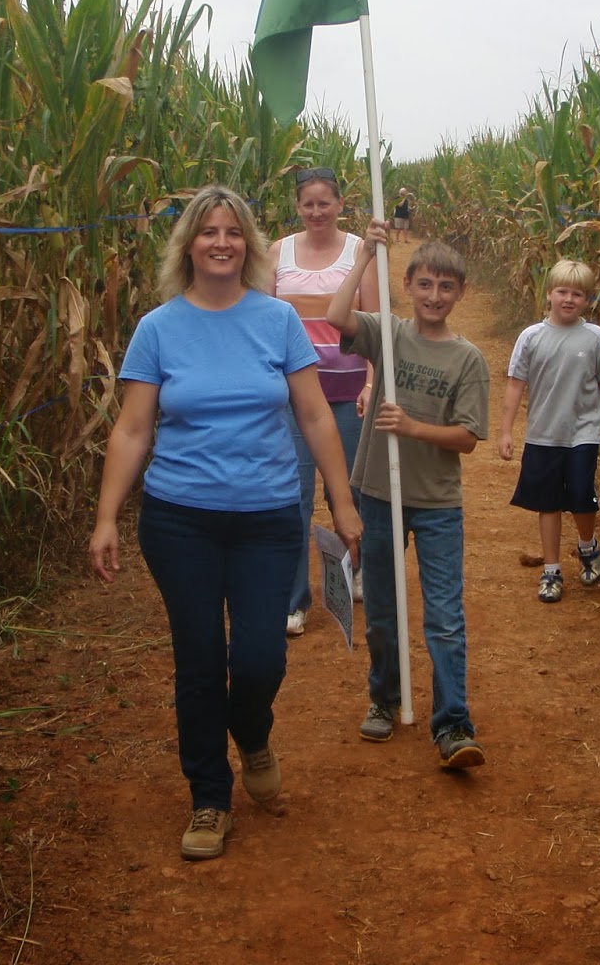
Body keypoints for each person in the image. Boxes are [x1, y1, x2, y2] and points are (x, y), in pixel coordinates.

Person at [88, 185, 363, 862]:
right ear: (189, 246)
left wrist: (342, 498)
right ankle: (209, 796)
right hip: (180, 519)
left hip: (269, 515)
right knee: (202, 663)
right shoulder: (158, 328)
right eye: (207, 232)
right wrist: (106, 518)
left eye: (232, 232)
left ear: (249, 245)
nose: (220, 242)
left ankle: (253, 731)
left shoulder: (275, 321)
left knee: (262, 658)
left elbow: (314, 414)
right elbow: (132, 428)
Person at [326, 221, 491, 769]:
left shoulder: (467, 359)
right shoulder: (389, 334)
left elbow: (467, 438)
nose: (434, 297)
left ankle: (453, 725)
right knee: (381, 611)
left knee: (444, 616)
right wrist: (364, 256)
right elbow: (335, 318)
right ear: (409, 286)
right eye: (424, 285)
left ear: (460, 293)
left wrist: (413, 426)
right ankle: (384, 697)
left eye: (446, 287)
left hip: (438, 503)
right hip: (377, 492)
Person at [268, 166, 379, 636]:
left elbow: (373, 320)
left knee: (351, 493)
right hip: (296, 399)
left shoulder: (360, 251)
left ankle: (356, 571)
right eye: (308, 204)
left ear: (340, 204)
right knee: (292, 497)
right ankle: (294, 601)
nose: (316, 211)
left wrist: (371, 383)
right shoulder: (279, 253)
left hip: (349, 394)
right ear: (297, 206)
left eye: (325, 203)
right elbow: (263, 322)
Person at [497, 259, 600, 603]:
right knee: (549, 502)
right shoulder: (531, 337)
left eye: (578, 294)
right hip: (543, 433)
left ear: (587, 299)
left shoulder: (595, 337)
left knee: (582, 494)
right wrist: (506, 431)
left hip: (583, 431)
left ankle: (587, 546)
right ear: (549, 294)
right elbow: (515, 385)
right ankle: (552, 570)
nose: (569, 299)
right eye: (562, 292)